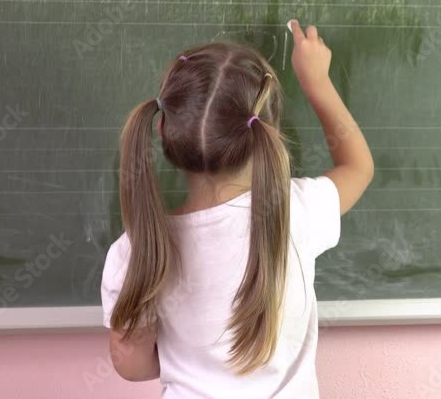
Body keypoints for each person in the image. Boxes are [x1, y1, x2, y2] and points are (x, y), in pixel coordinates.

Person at [100, 20, 374, 398]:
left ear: (161, 129)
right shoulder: (295, 211)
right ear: (266, 132)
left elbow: (132, 365)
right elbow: (358, 167)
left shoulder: (136, 251)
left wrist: (187, 353)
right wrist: (316, 81)